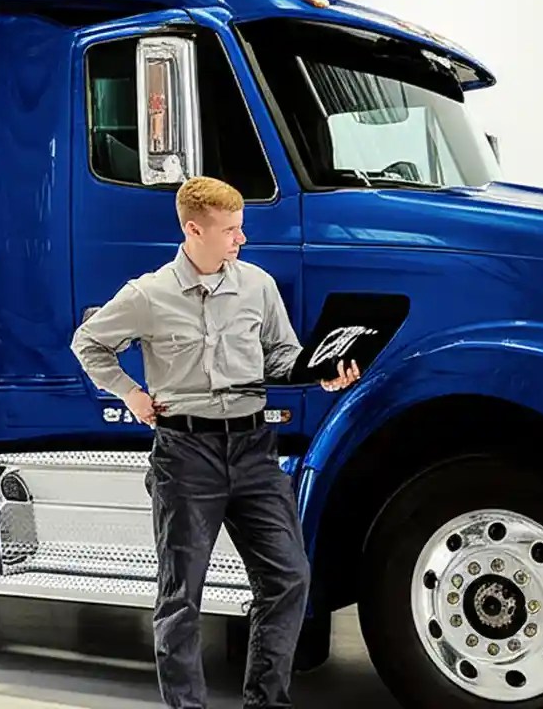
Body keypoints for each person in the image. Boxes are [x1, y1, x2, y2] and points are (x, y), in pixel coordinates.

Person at [70, 175, 361, 707]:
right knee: (182, 597)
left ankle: (266, 701)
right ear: (193, 229)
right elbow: (88, 343)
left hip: (254, 449)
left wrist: (319, 373)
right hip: (186, 456)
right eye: (230, 230)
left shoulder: (257, 286)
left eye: (240, 229)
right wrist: (132, 395)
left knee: (291, 578)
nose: (240, 240)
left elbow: (279, 357)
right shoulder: (148, 295)